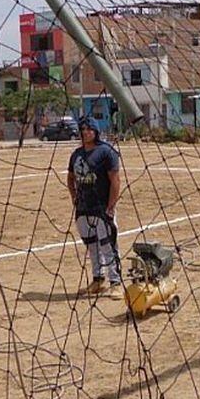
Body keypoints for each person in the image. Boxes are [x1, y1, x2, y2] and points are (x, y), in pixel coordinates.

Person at [67, 116, 123, 295]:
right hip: (84, 207)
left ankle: (115, 282)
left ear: (96, 131)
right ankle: (98, 279)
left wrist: (111, 206)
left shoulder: (106, 151)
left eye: (89, 129)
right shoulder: (77, 154)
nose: (85, 132)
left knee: (108, 244)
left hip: (102, 206)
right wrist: (74, 197)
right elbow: (70, 178)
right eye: (83, 129)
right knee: (91, 245)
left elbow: (115, 180)